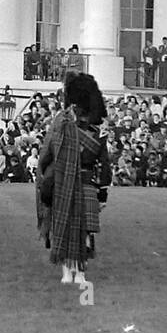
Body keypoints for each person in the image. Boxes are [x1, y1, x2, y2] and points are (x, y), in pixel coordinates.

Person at [37, 72, 110, 287]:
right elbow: (104, 164)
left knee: (65, 229)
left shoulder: (62, 121)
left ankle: (67, 272)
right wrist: (103, 191)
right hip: (87, 183)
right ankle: (79, 273)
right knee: (83, 232)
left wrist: (44, 175)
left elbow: (47, 153)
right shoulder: (98, 130)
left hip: (63, 180)